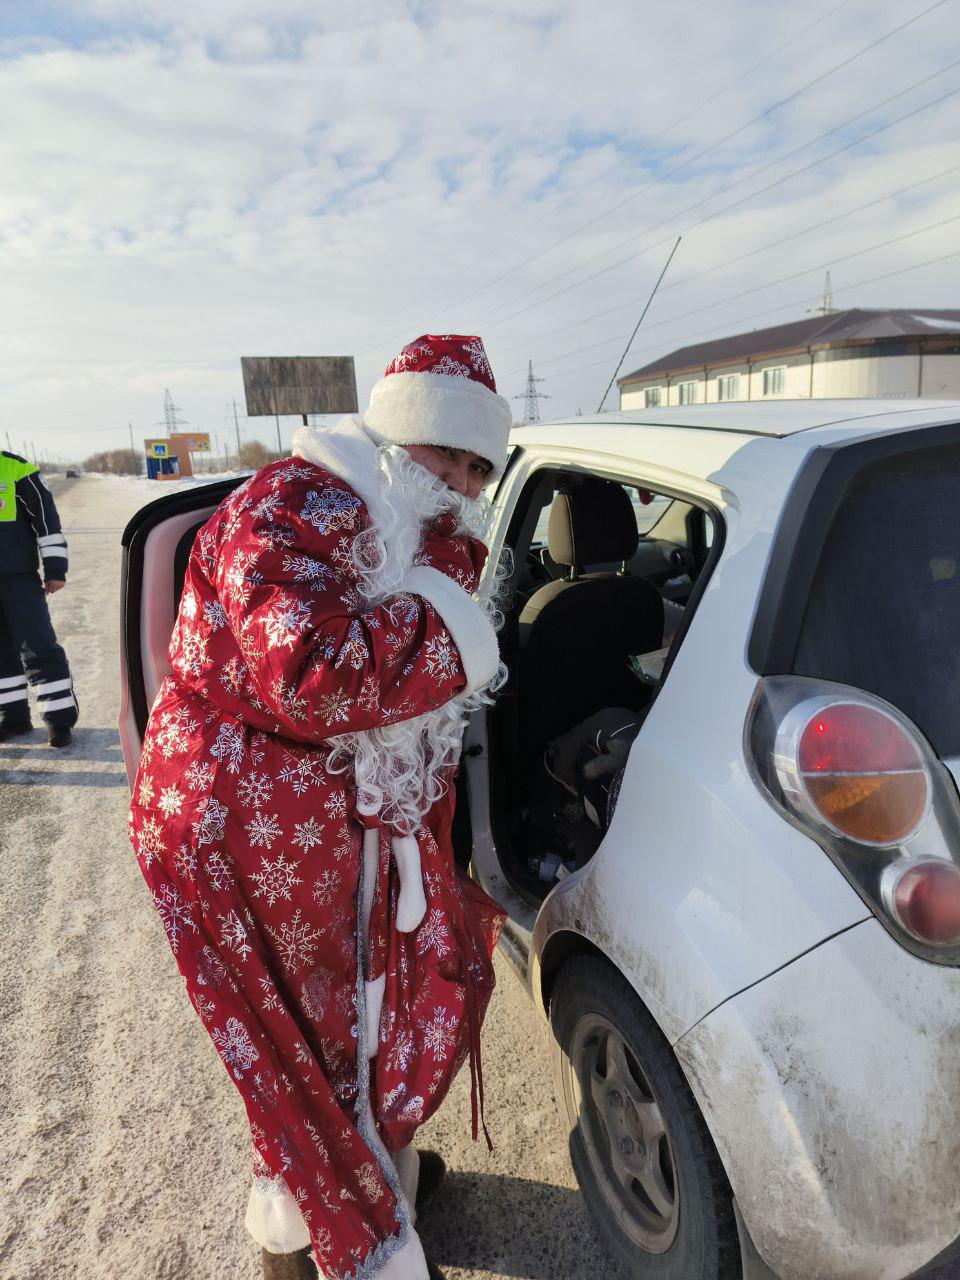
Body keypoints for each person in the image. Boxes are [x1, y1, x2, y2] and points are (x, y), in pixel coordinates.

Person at [127, 334, 512, 1280]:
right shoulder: (291, 504)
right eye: (445, 453)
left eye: (476, 467)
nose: (458, 481)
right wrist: (457, 625)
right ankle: (308, 1240)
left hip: (319, 833)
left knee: (361, 1027)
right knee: (306, 1048)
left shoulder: (400, 522)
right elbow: (312, 673)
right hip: (240, 838)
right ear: (398, 428)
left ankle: (369, 1181)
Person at [0, 450, 78, 747]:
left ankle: (59, 720)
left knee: (39, 646)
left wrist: (56, 569)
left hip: (18, 578)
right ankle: (13, 717)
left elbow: (47, 524)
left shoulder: (16, 470)